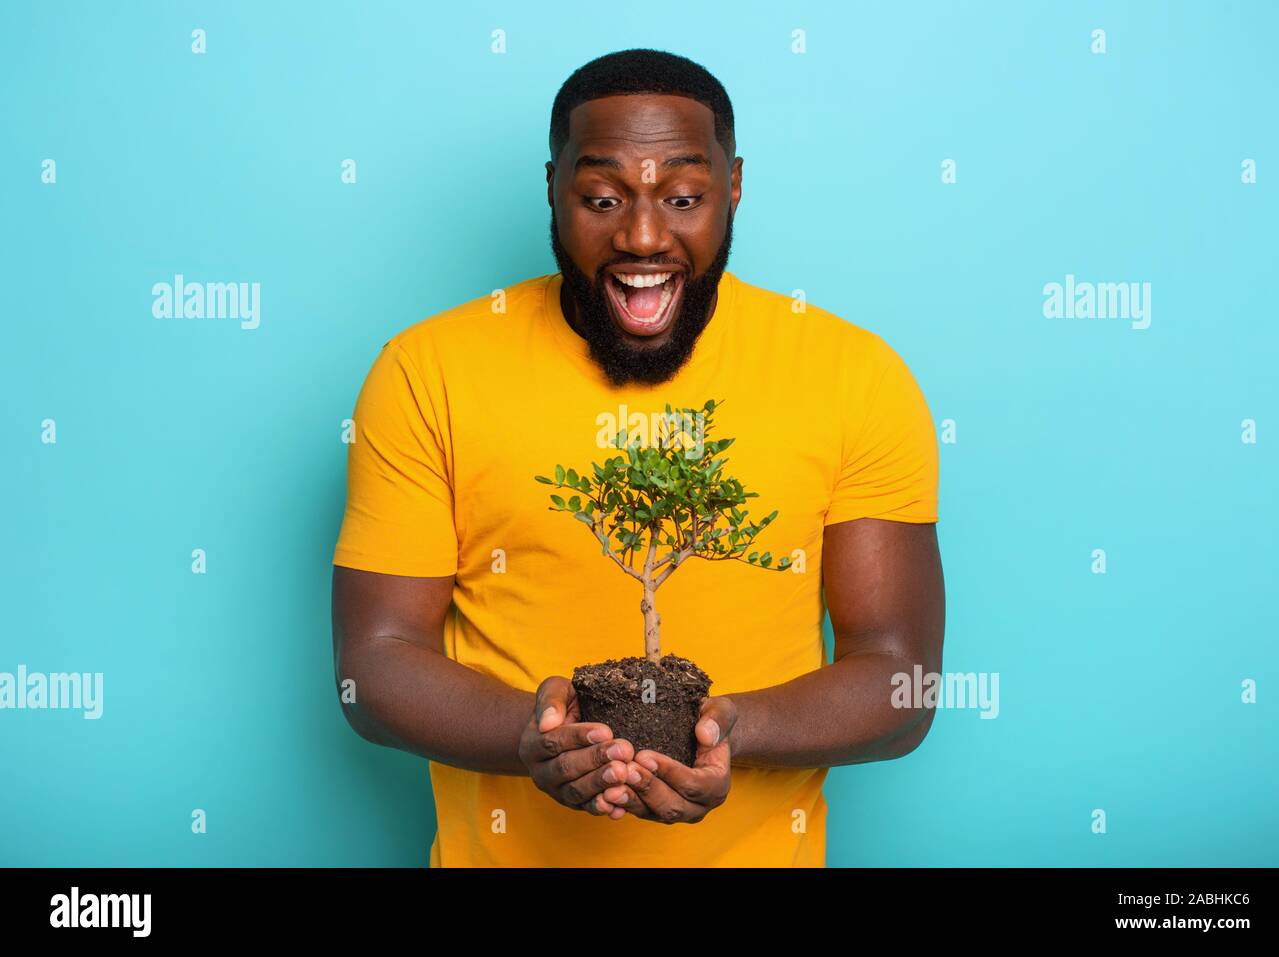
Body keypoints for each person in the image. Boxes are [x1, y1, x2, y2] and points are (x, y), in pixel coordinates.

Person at [331, 48, 945, 867]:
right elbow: (373, 665)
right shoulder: (427, 372)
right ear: (553, 189)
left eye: (684, 197)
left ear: (734, 188)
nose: (644, 235)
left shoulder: (855, 377)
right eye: (602, 197)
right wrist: (530, 735)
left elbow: (902, 680)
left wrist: (732, 726)